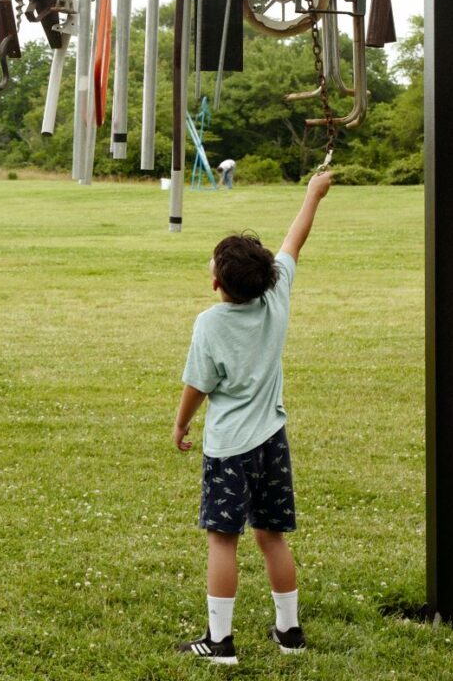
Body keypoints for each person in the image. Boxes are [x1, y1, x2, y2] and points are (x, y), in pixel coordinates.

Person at [172, 171, 332, 664]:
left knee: (223, 541)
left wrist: (180, 423)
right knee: (271, 536)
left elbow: (198, 385)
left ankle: (219, 642)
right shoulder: (275, 300)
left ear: (216, 282)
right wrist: (313, 194)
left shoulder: (210, 324)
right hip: (272, 441)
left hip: (228, 449)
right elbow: (294, 240)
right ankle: (289, 632)